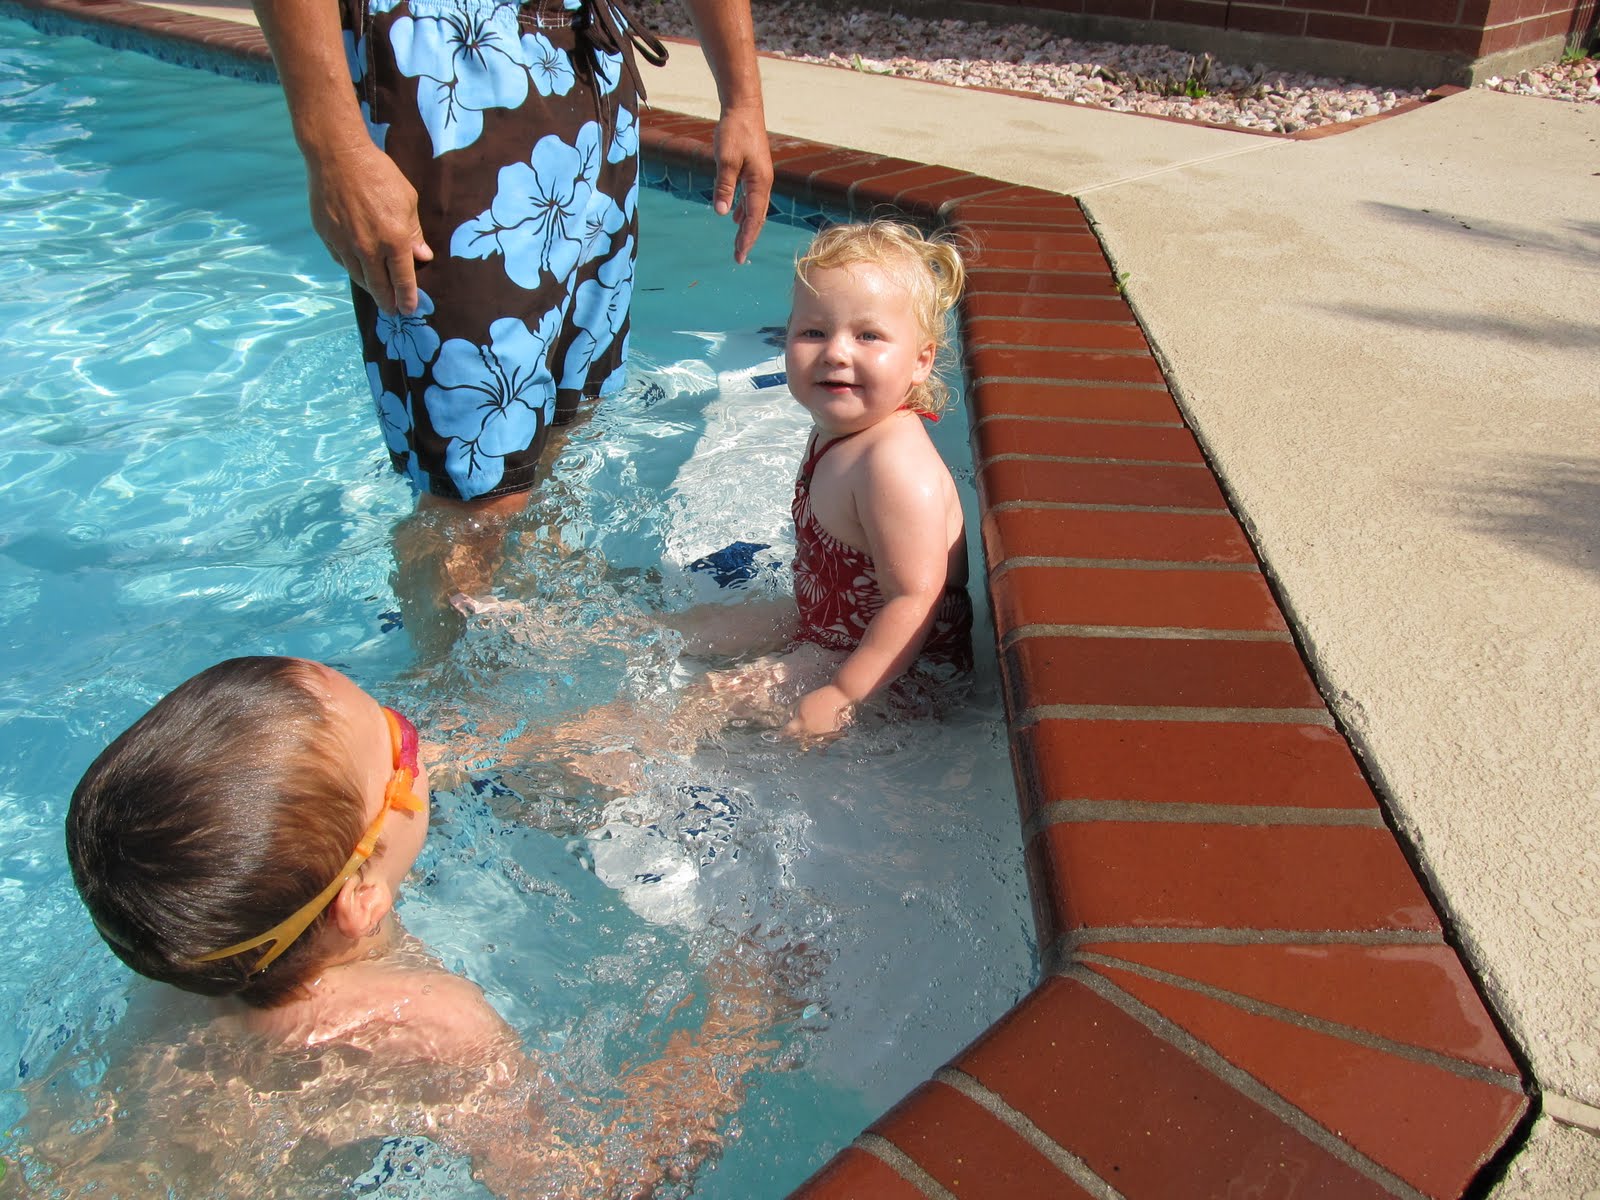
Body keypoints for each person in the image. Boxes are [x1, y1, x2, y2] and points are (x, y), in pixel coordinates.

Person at [43, 656, 782, 1195]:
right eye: (401, 746)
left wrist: (660, 721)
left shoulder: (191, 950)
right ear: (358, 897)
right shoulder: (425, 1024)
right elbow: (588, 1182)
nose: (418, 741)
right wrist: (743, 1022)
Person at [250, 0, 775, 631]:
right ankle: (450, 706)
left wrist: (743, 99)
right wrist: (333, 147)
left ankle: (522, 621)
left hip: (588, 62)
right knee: (475, 483)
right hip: (446, 69)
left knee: (566, 419)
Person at [524, 220, 973, 787]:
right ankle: (564, 635)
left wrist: (840, 694)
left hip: (889, 673)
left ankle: (566, 760)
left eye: (868, 336)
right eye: (813, 331)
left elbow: (914, 600)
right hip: (828, 629)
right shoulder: (842, 431)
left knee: (698, 700)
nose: (836, 353)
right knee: (684, 627)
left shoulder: (894, 466)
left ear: (921, 362)